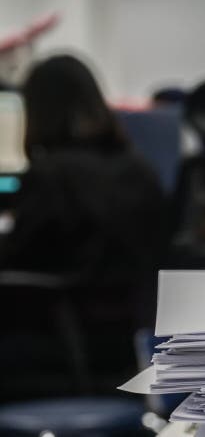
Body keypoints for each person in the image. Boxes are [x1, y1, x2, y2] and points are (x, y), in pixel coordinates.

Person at [0, 54, 168, 399]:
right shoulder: (139, 169)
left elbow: (15, 260)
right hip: (125, 345)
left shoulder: (52, 175)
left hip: (63, 346)